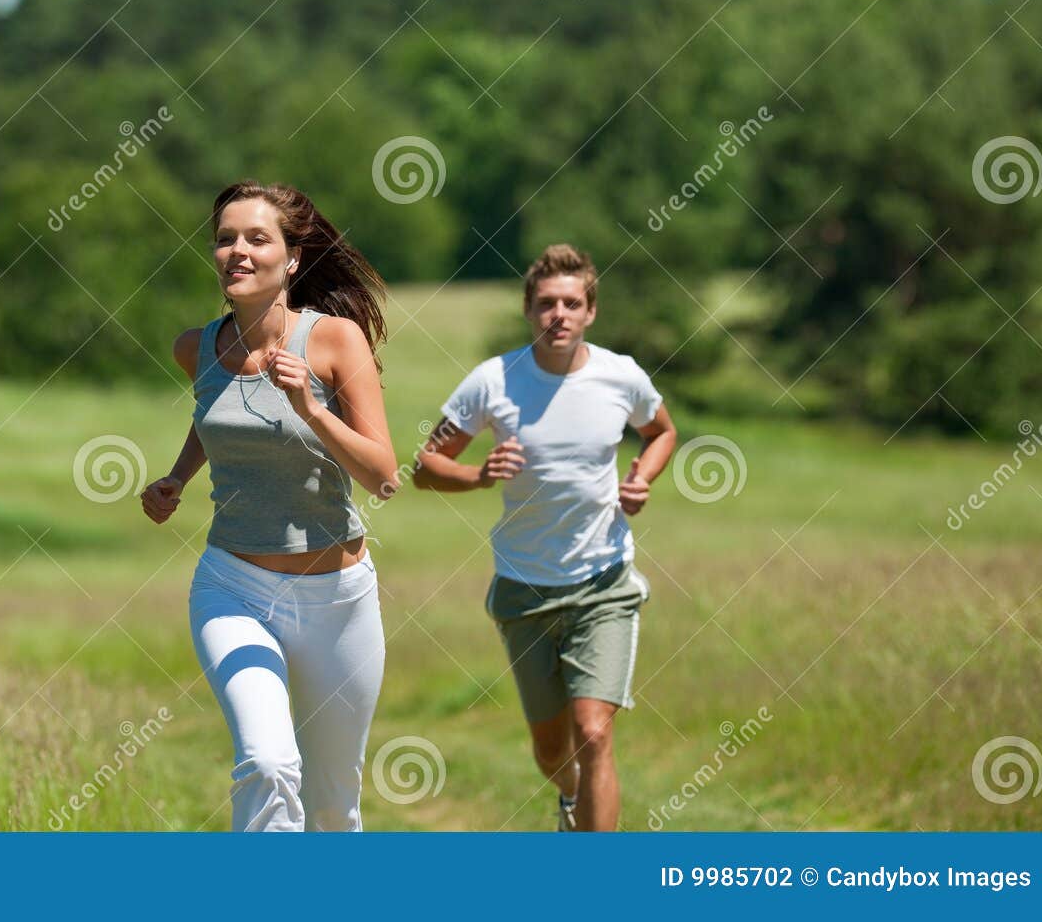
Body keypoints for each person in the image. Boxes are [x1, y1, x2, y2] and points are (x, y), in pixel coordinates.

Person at [140, 180, 400, 831]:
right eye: (225, 238)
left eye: (257, 238)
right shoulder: (196, 347)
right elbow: (215, 414)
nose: (237, 250)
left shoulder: (336, 341)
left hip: (337, 598)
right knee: (267, 759)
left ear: (291, 258)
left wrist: (311, 407)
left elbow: (383, 475)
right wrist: (175, 476)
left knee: (333, 808)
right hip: (234, 586)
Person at [412, 243, 677, 831]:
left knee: (594, 733)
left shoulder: (620, 375)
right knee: (554, 753)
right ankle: (569, 797)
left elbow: (661, 432)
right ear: (529, 311)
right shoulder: (492, 382)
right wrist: (480, 475)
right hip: (524, 588)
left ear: (590, 313)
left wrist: (641, 476)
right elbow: (425, 467)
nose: (559, 314)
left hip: (602, 582)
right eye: (547, 304)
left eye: (572, 303)